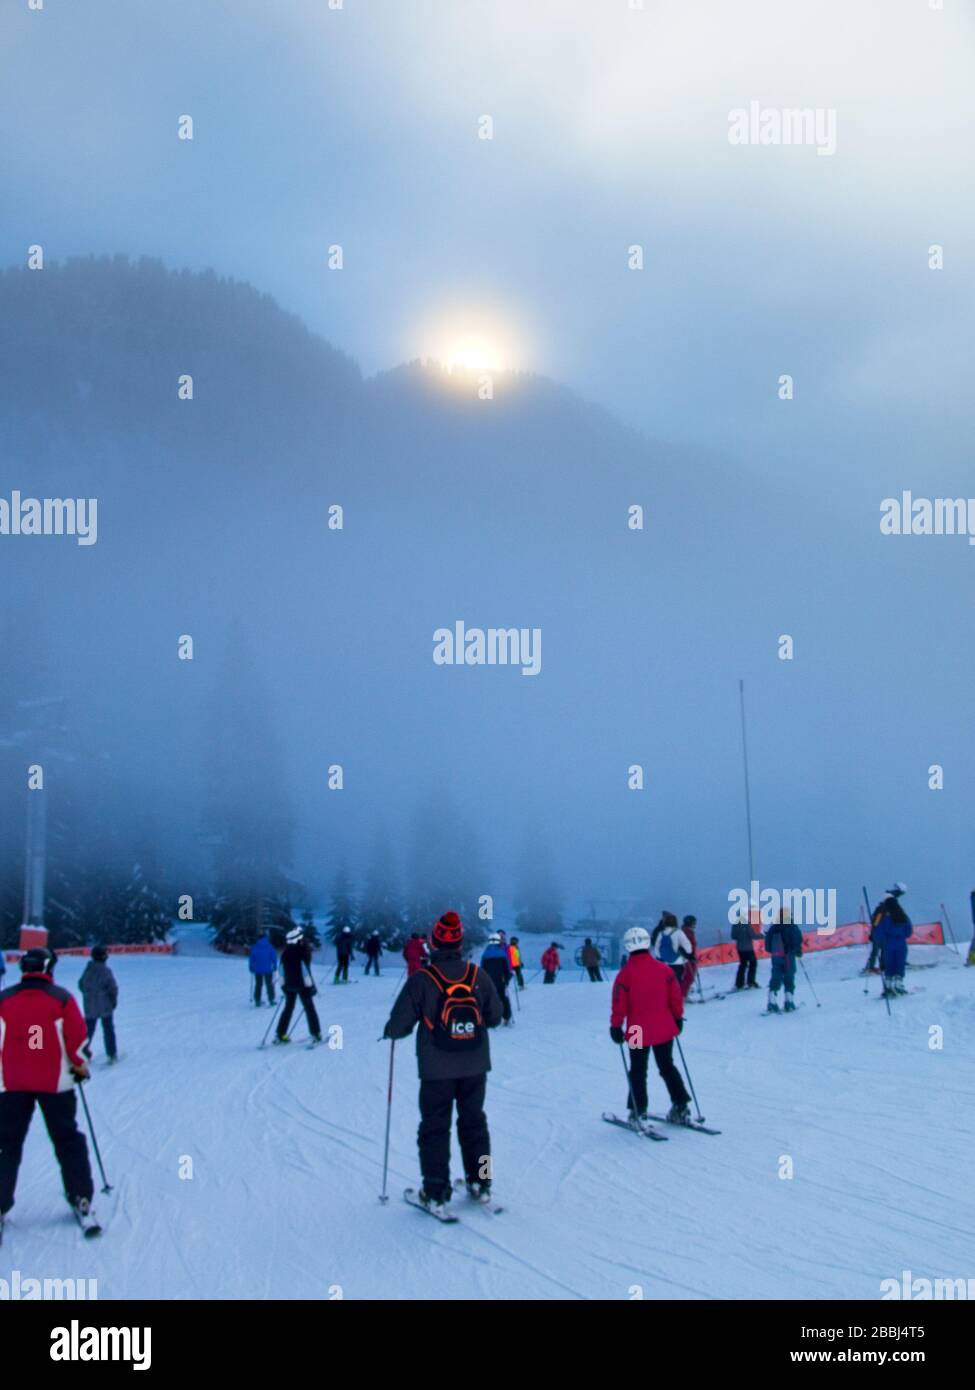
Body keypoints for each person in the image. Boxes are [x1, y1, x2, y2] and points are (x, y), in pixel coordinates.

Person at [383, 911, 502, 1216]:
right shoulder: (478, 976)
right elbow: (495, 1016)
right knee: (475, 1123)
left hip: (436, 1068)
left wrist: (392, 1032)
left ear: (434, 944)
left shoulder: (423, 979)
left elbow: (399, 1025)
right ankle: (482, 1181)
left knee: (435, 1127)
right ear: (460, 943)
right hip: (476, 1064)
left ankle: (436, 1190)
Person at [0, 948, 97, 1229]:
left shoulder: (4, 999)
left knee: (6, 1144)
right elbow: (77, 1038)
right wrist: (79, 1065)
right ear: (47, 968)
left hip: (12, 1083)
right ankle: (81, 1195)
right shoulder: (62, 998)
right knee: (67, 1139)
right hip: (56, 1084)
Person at [610, 926, 691, 1124]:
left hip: (637, 1031)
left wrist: (616, 1026)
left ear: (628, 946)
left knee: (638, 1069)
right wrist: (678, 1019)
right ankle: (681, 1105)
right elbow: (676, 997)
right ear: (647, 943)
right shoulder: (664, 969)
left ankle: (638, 1111)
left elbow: (619, 1003)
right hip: (664, 1027)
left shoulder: (625, 975)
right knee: (667, 1066)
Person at [276, 927, 322, 1043]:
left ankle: (280, 1034)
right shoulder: (302, 952)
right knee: (309, 1009)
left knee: (288, 1009)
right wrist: (311, 987)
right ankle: (316, 1033)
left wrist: (282, 986)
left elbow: (281, 971)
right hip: (303, 986)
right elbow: (305, 972)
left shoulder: (285, 954)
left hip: (288, 986)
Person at [78, 946, 119, 1061]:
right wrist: (113, 1001)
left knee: (88, 1030)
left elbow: (81, 984)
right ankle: (111, 1053)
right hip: (105, 1005)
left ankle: (83, 1052)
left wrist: (88, 995)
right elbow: (113, 988)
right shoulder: (106, 970)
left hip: (89, 1005)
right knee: (108, 1029)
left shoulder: (88, 969)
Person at [872, 884, 912, 996]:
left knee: (889, 964)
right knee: (899, 963)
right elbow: (909, 930)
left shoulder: (883, 914)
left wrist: (879, 940)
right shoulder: (902, 915)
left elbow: (878, 930)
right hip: (901, 942)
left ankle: (888, 985)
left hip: (888, 943)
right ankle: (898, 984)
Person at [764, 909, 803, 1013]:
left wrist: (774, 951)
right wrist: (798, 951)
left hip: (776, 956)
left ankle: (772, 1002)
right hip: (788, 956)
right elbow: (797, 940)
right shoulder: (792, 926)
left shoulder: (773, 928)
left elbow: (767, 946)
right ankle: (788, 1002)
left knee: (776, 977)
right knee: (789, 977)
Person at [651, 912, 694, 989]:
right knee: (677, 982)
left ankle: (667, 997)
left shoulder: (661, 933)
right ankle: (677, 997)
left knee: (667, 982)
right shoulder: (679, 932)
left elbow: (656, 949)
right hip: (677, 962)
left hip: (665, 963)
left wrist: (662, 958)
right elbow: (688, 948)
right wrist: (687, 955)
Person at [480, 933, 513, 1025]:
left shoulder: (486, 953)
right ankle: (506, 1017)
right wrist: (507, 978)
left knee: (489, 998)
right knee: (503, 997)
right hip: (500, 980)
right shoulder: (502, 953)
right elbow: (506, 968)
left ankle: (489, 1017)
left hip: (489, 981)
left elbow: (482, 968)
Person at [248, 929, 278, 1005]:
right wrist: (274, 965)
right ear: (265, 938)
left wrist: (251, 966)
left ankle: (257, 1000)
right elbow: (273, 957)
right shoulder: (269, 946)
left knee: (258, 985)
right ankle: (271, 1000)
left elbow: (252, 958)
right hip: (268, 969)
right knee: (269, 984)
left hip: (257, 969)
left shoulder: (255, 947)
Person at [731, 913, 760, 989]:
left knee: (743, 965)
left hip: (740, 948)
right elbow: (753, 935)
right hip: (748, 948)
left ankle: (739, 983)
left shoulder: (735, 924)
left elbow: (733, 936)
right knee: (753, 964)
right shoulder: (746, 924)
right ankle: (751, 981)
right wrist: (762, 936)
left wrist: (740, 936)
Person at [680, 916, 699, 998]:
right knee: (689, 977)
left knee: (688, 977)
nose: (695, 924)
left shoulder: (687, 931)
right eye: (694, 922)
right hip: (688, 958)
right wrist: (691, 957)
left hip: (689, 957)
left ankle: (684, 994)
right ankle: (683, 995)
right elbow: (685, 946)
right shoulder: (687, 932)